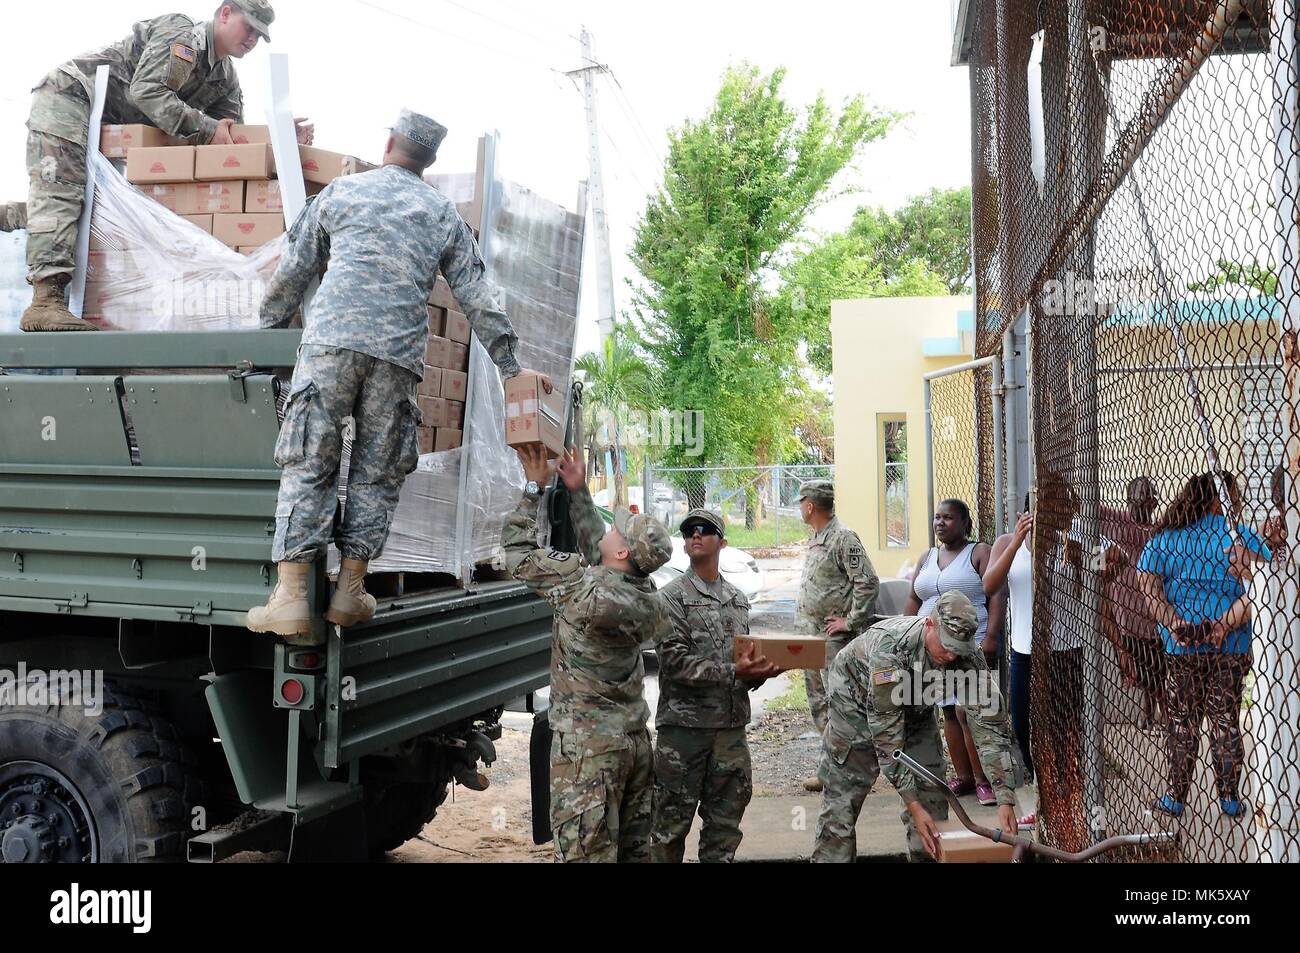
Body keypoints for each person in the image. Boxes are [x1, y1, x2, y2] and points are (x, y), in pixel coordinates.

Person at [246, 110, 550, 642]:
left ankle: (291, 596)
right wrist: (512, 368)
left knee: (309, 458)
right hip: (398, 358)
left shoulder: (342, 194)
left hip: (331, 346)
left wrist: (257, 340)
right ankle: (351, 589)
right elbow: (479, 298)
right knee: (376, 471)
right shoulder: (442, 214)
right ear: (429, 163)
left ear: (388, 143)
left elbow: (291, 273)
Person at [20, 2, 313, 332]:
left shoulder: (224, 77)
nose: (252, 40)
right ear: (226, 13)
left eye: (260, 36)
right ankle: (45, 301)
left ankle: (15, 217)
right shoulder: (183, 34)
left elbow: (232, 141)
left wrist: (281, 137)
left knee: (93, 205)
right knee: (62, 189)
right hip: (72, 97)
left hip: (113, 127)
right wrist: (207, 129)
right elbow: (148, 92)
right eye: (250, 29)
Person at [504, 445, 672, 862]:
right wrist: (576, 492)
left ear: (622, 554)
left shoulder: (584, 589)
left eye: (618, 530)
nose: (608, 530)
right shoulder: (647, 597)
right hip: (632, 745)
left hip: (587, 755)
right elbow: (599, 543)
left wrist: (533, 486)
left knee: (586, 854)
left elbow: (517, 553)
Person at [811, 591, 1019, 863]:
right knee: (842, 800)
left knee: (931, 796)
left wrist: (1004, 798)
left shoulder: (966, 655)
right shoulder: (890, 650)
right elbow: (887, 735)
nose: (951, 655)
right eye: (946, 646)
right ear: (929, 624)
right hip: (856, 705)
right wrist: (912, 803)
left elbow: (990, 726)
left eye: (959, 649)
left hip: (915, 708)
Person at [1138, 471, 1270, 819]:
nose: (1238, 502)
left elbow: (1148, 586)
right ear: (1218, 500)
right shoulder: (1239, 539)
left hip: (1185, 644)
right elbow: (1265, 588)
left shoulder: (1167, 540)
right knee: (1225, 719)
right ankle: (1229, 797)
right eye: (1234, 495)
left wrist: (1172, 621)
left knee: (1183, 721)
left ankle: (1176, 797)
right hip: (1232, 645)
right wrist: (1225, 624)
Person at [651, 508, 781, 863]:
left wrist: (760, 672)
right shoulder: (671, 598)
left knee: (724, 827)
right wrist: (736, 672)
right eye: (689, 530)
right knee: (668, 828)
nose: (696, 534)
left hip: (729, 732)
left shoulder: (738, 599)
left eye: (705, 530)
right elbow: (674, 663)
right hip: (684, 733)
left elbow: (742, 662)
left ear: (721, 542)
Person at [905, 498, 1006, 806]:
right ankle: (962, 777)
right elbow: (913, 597)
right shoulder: (927, 556)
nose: (940, 523)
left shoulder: (979, 552)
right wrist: (907, 636)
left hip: (969, 643)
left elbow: (997, 593)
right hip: (932, 646)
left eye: (948, 518)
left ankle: (983, 779)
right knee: (947, 710)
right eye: (937, 517)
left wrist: (991, 636)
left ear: (965, 523)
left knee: (969, 711)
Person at [794, 478, 880, 792]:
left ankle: (851, 769)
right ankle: (830, 767)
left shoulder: (843, 538)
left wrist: (851, 621)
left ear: (810, 505)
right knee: (820, 705)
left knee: (841, 705)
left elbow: (868, 581)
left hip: (833, 642)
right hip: (812, 639)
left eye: (801, 502)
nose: (799, 508)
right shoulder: (818, 538)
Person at [1100, 476, 1164, 728]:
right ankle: (1149, 715)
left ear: (1154, 503)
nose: (1141, 508)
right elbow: (1089, 506)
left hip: (1154, 615)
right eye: (1136, 502)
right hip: (1126, 616)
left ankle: (1154, 716)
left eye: (1147, 501)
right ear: (1127, 502)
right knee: (1143, 672)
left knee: (1157, 673)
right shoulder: (1117, 522)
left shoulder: (1159, 531)